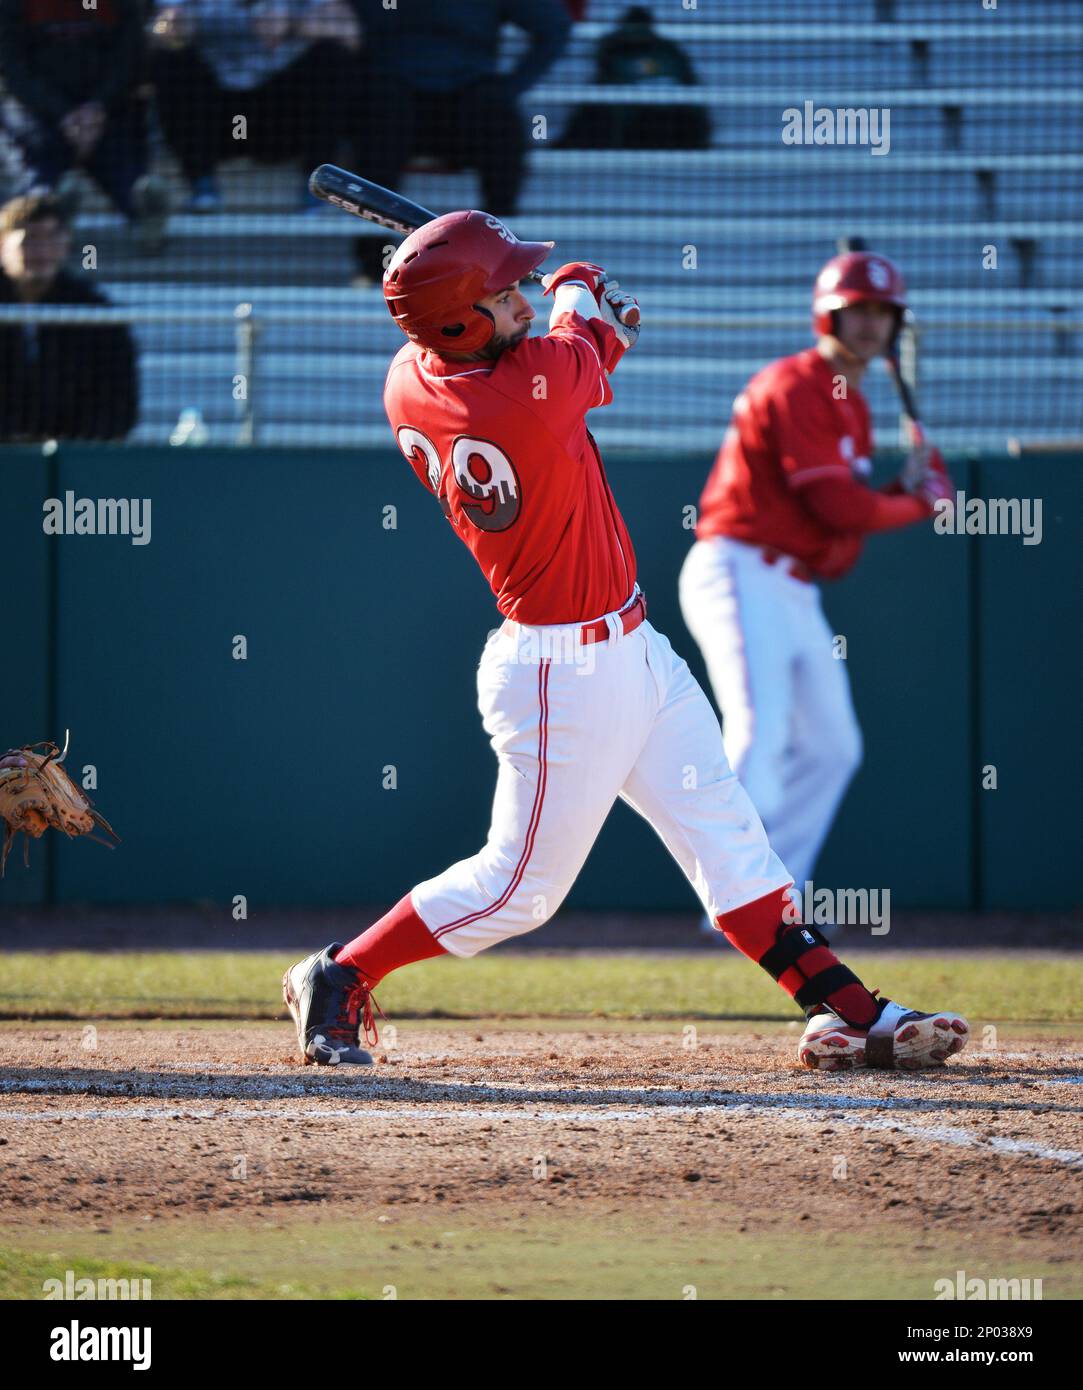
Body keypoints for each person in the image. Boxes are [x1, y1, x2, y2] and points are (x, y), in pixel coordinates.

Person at [281, 217, 968, 1074]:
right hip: (559, 671)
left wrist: (563, 297)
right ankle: (340, 972)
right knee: (517, 890)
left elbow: (580, 333)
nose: (521, 300)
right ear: (458, 323)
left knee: (732, 844)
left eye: (518, 287)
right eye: (503, 294)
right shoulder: (521, 390)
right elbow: (581, 330)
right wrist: (578, 279)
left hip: (635, 648)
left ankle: (851, 1013)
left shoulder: (415, 375)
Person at [678, 252, 953, 931]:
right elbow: (838, 509)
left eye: (881, 312)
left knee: (832, 746)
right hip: (739, 567)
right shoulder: (800, 384)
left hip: (791, 584)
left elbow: (838, 533)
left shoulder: (850, 403)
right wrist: (919, 503)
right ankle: (737, 902)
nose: (869, 323)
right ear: (827, 313)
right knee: (759, 732)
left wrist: (898, 492)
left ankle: (774, 900)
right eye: (857, 309)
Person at [347, 0, 572, 284]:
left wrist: (511, 87)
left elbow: (554, 26)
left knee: (499, 118)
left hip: (467, 105)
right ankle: (372, 263)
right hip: (392, 104)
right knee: (380, 113)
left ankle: (501, 253)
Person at [148, 0, 362, 212]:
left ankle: (317, 189)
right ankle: (203, 188)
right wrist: (178, 25)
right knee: (169, 59)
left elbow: (350, 33)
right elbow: (158, 29)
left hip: (280, 119)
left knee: (332, 57)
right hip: (220, 120)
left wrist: (293, 25)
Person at [0, 0, 168, 249]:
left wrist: (98, 107)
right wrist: (63, 113)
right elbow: (13, 68)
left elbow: (129, 58)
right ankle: (47, 201)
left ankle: (141, 207)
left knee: (120, 160)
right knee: (30, 150)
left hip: (108, 112)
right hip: (38, 113)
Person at [0, 193, 138, 442]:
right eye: (30, 240)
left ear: (66, 245)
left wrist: (71, 446)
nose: (42, 251)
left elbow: (118, 400)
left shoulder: (94, 311)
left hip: (72, 458)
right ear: (2, 245)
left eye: (52, 239)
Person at [557, 4, 711, 150]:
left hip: (664, 127)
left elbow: (692, 94)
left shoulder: (669, 53)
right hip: (638, 128)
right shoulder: (616, 51)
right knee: (595, 103)